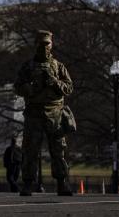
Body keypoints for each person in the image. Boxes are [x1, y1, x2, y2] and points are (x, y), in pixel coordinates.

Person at [14, 30, 74, 196]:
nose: (44, 47)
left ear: (51, 45)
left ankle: (62, 182)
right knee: (30, 151)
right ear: (36, 45)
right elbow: (17, 86)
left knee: (58, 150)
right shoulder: (28, 67)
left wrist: (55, 83)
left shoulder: (58, 66)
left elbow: (69, 88)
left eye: (47, 44)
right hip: (34, 113)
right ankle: (28, 183)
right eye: (41, 44)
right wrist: (30, 88)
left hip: (54, 114)